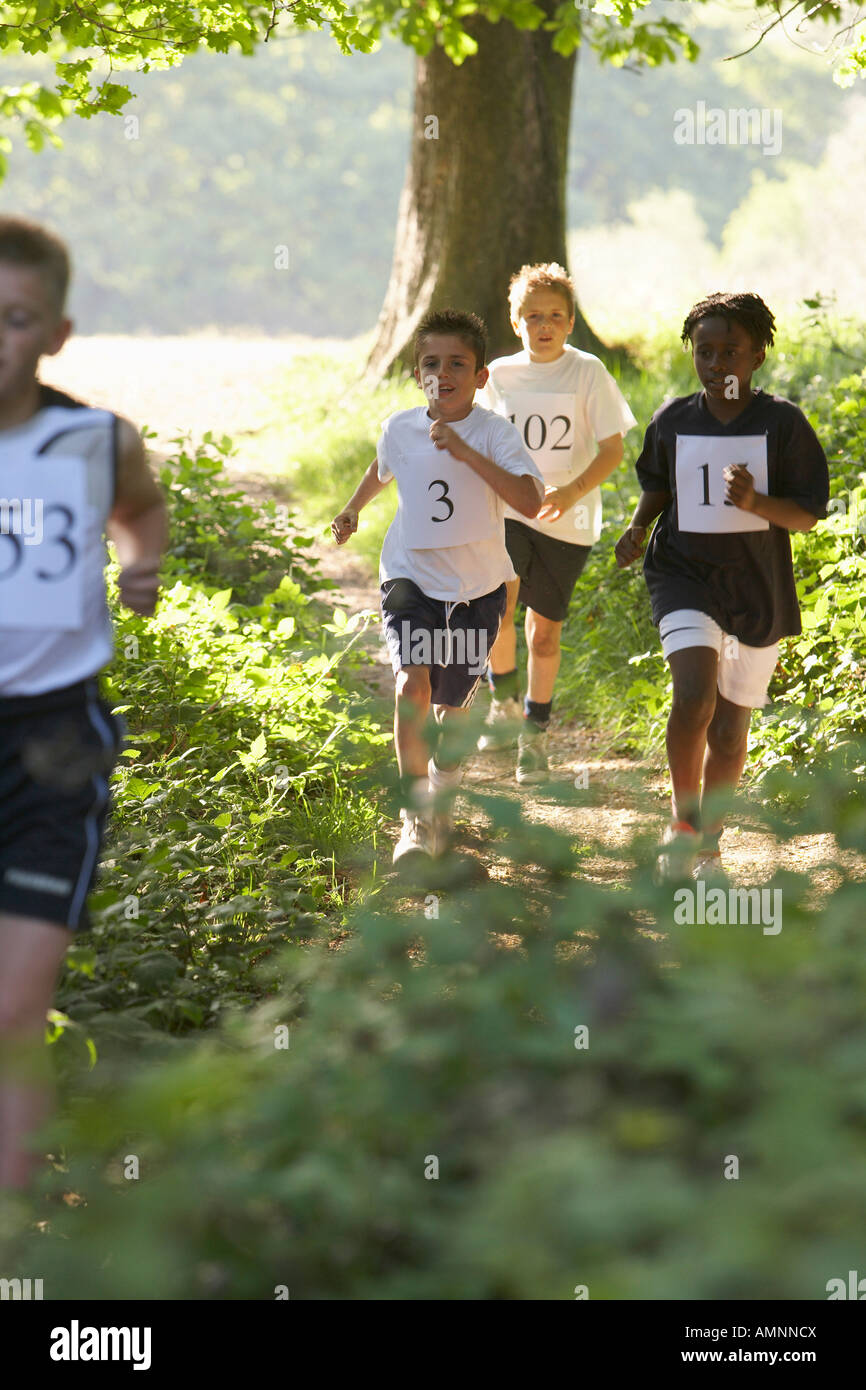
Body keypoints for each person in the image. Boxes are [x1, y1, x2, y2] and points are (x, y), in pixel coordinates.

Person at [0, 217, 167, 1191]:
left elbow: (141, 510)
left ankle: (12, 1241)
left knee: (15, 1016)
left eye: (16, 319)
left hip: (54, 745)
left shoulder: (91, 440)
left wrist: (140, 562)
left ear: (55, 333)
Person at [614, 291, 829, 881]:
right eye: (703, 352)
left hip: (757, 586)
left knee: (731, 730)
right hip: (683, 571)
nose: (715, 364)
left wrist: (757, 502)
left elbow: (808, 514)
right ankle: (683, 827)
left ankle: (710, 839)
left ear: (757, 355)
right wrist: (637, 528)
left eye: (729, 352)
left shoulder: (782, 423)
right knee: (694, 697)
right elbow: (659, 485)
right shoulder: (674, 419)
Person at [331, 308, 545, 868]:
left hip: (477, 589)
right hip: (410, 577)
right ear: (417, 372)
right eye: (431, 362)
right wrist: (353, 508)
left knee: (453, 710)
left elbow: (529, 501)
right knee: (411, 687)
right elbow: (385, 467)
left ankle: (442, 787)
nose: (442, 371)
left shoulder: (496, 432)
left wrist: (464, 450)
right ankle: (414, 817)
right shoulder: (400, 426)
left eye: (458, 362)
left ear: (480, 377)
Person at [476, 262, 636, 783]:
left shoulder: (588, 372)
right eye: (532, 315)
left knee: (543, 634)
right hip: (509, 512)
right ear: (515, 320)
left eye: (555, 316)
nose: (543, 325)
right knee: (499, 607)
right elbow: (475, 441)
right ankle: (501, 705)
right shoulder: (497, 376)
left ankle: (534, 735)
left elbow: (613, 449)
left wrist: (571, 492)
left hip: (569, 518)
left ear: (570, 323)